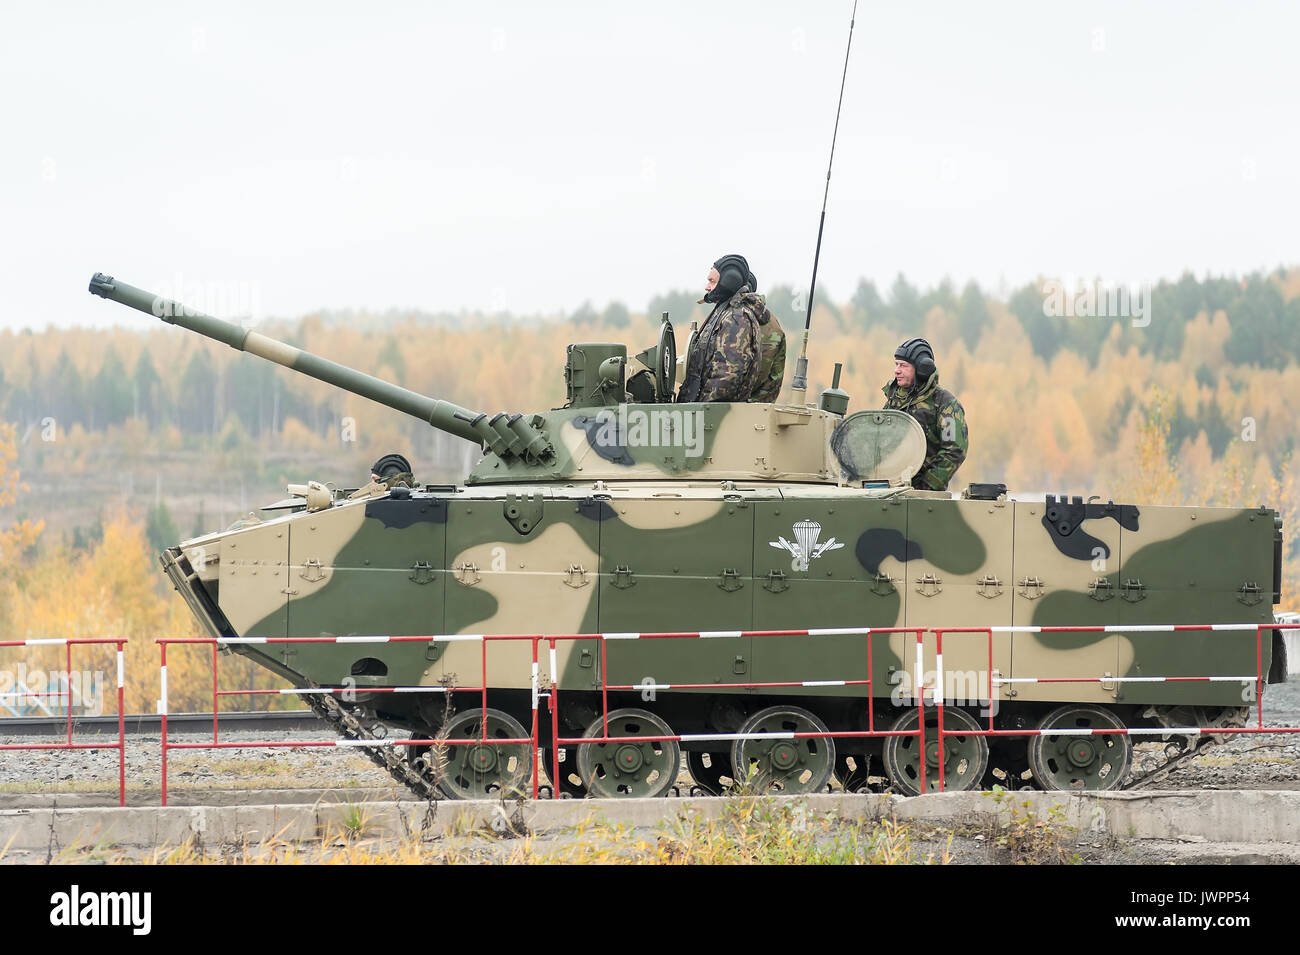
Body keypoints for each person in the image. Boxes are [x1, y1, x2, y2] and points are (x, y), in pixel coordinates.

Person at [678, 253, 768, 403]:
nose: (707, 287)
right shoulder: (725, 313)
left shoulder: (736, 319)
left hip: (712, 417)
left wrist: (701, 409)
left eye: (712, 281)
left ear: (728, 282)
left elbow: (727, 377)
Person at [882, 338, 968, 490]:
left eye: (903, 365)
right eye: (896, 364)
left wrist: (927, 486)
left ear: (921, 369)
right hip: (889, 488)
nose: (897, 370)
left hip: (923, 495)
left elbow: (954, 450)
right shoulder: (893, 401)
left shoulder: (945, 403)